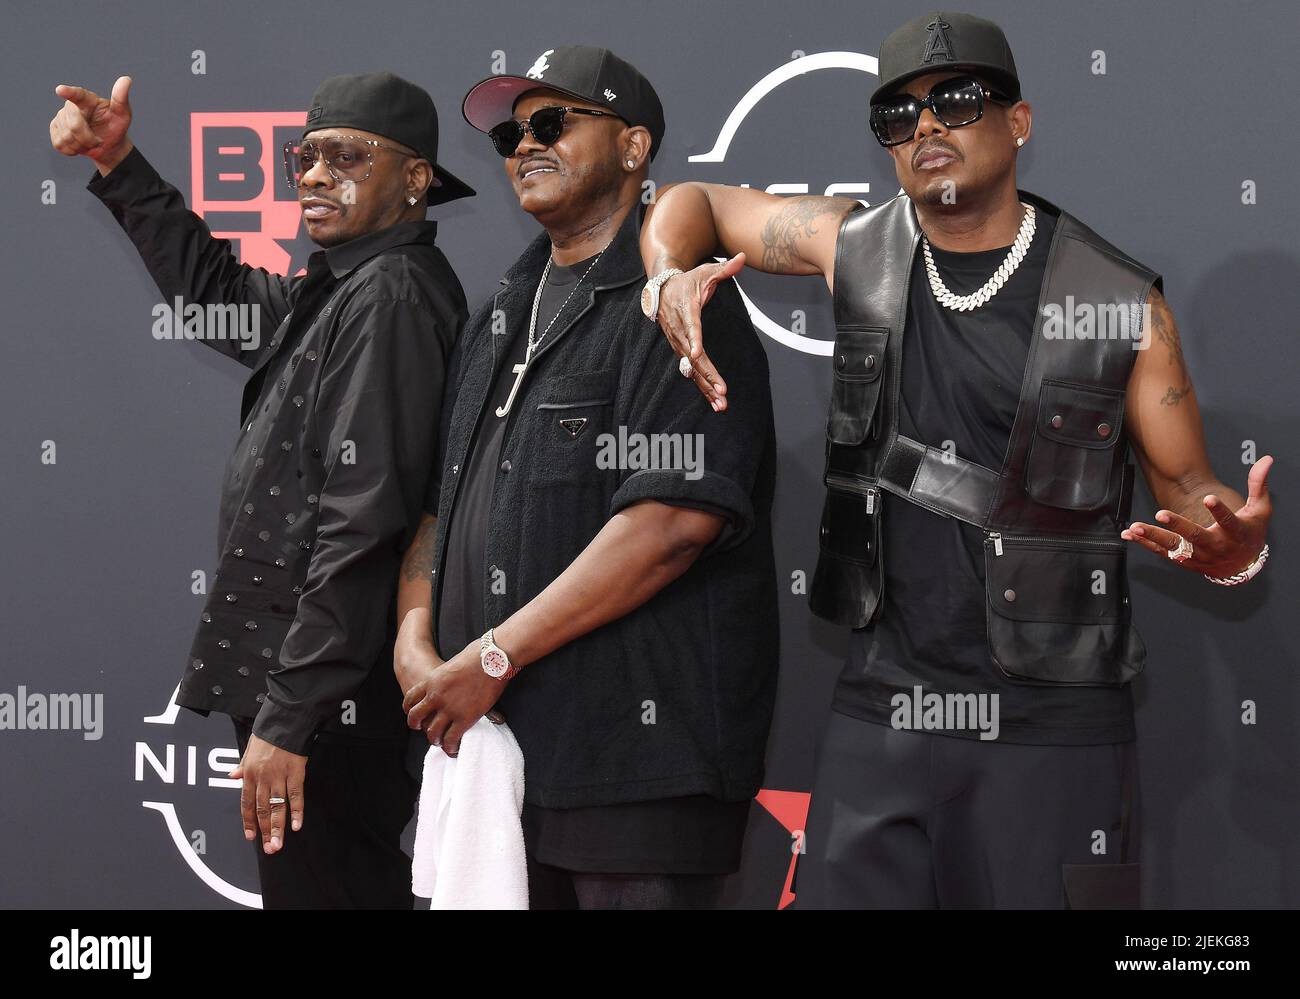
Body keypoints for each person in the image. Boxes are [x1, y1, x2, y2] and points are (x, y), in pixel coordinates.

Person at [638, 11, 1274, 908]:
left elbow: (1193, 493)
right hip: (879, 715)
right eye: (899, 117)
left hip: (1052, 733)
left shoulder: (1117, 303)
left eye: (957, 101)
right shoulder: (854, 249)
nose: (927, 127)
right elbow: (691, 203)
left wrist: (1233, 549)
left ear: (1018, 121)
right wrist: (667, 271)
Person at [51, 70, 474, 908]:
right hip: (317, 694)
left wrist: (292, 715)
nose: (314, 174)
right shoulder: (343, 288)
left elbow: (362, 522)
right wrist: (119, 160)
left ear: (416, 179)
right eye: (304, 156)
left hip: (331, 707)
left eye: (345, 155)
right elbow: (216, 295)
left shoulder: (387, 296)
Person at [394, 45, 780, 909]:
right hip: (496, 759)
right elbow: (440, 508)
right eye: (511, 132)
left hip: (634, 773)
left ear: (635, 147)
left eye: (555, 121)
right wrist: (414, 635)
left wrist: (493, 653)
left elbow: (672, 523)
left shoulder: (682, 303)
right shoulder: (497, 313)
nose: (526, 142)